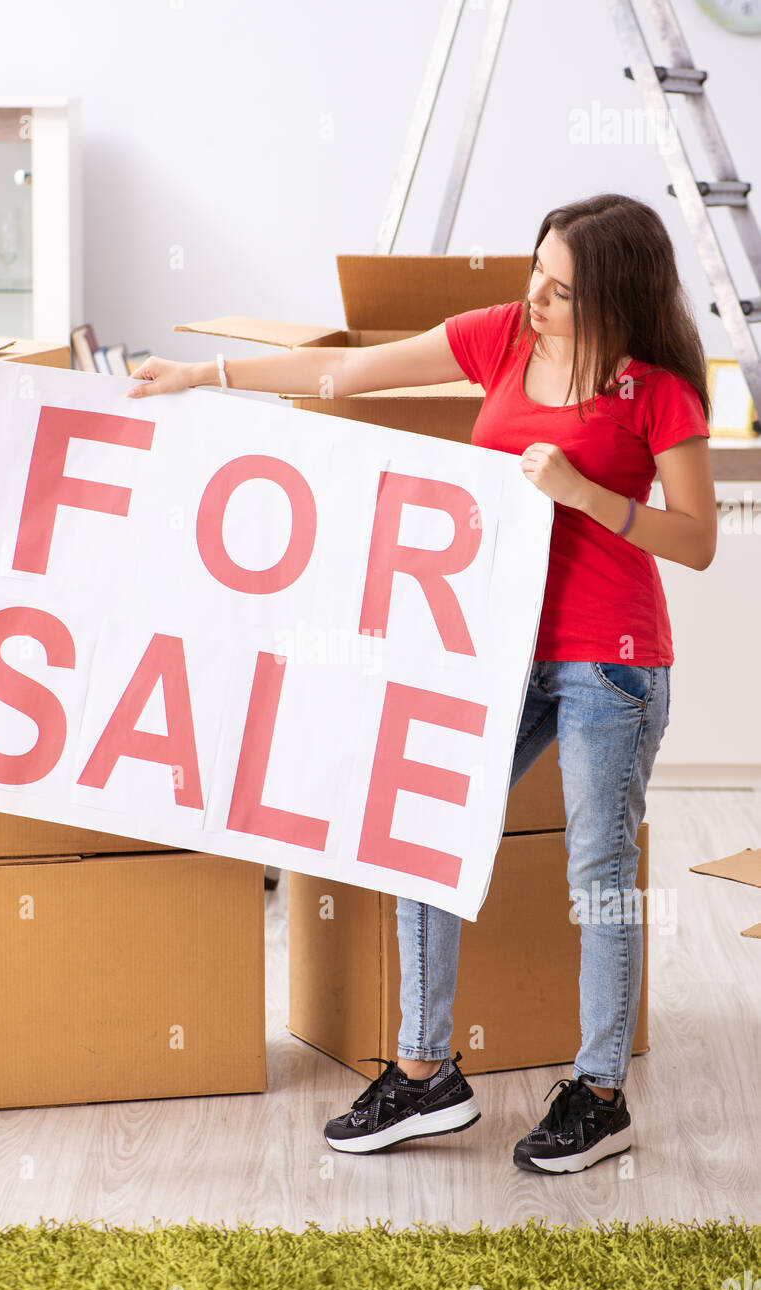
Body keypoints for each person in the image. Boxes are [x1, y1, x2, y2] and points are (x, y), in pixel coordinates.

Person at [127, 192, 716, 1174]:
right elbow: (347, 371)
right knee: (422, 832)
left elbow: (697, 540)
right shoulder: (501, 342)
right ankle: (426, 1070)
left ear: (617, 296)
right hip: (500, 649)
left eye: (563, 290)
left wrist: (587, 496)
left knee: (597, 878)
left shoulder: (656, 392)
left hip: (611, 661)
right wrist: (204, 376)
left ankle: (601, 1091)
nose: (537, 298)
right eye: (537, 272)